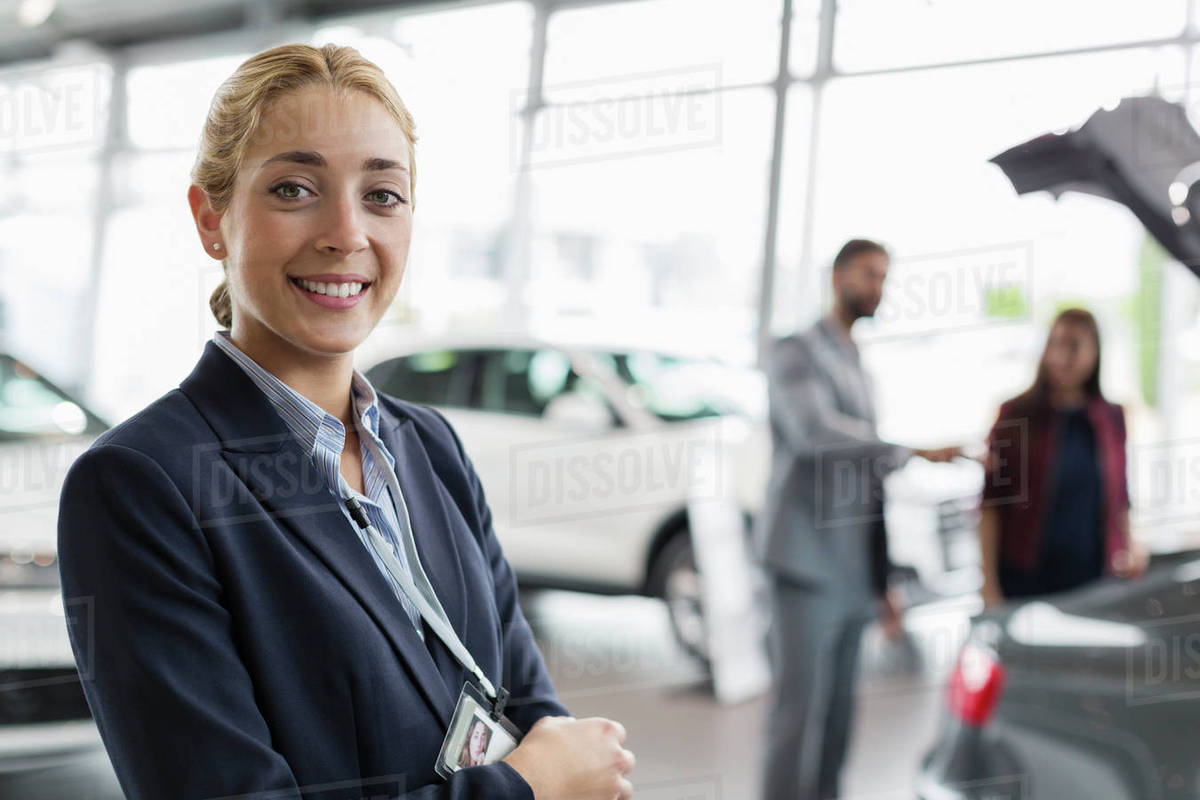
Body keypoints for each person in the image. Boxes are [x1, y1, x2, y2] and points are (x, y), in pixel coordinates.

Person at [56, 43, 634, 800]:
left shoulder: (431, 447)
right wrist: (525, 789)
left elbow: (523, 710)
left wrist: (549, 770)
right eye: (295, 189)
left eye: (382, 196)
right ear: (211, 220)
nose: (346, 232)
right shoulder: (141, 486)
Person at [754, 238, 960, 800]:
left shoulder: (859, 364)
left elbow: (868, 486)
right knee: (797, 718)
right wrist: (910, 450)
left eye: (884, 277)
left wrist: (883, 579)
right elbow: (814, 434)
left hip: (850, 573)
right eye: (870, 274)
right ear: (839, 274)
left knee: (840, 719)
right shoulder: (794, 350)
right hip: (802, 562)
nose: (878, 288)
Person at [979, 308, 1147, 607]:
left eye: (1074, 345)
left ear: (1094, 352)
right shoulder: (1015, 415)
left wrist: (1132, 544)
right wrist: (989, 586)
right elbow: (991, 505)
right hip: (1025, 576)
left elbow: (1120, 496)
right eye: (1055, 343)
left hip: (1093, 574)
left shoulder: (1111, 418)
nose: (1063, 356)